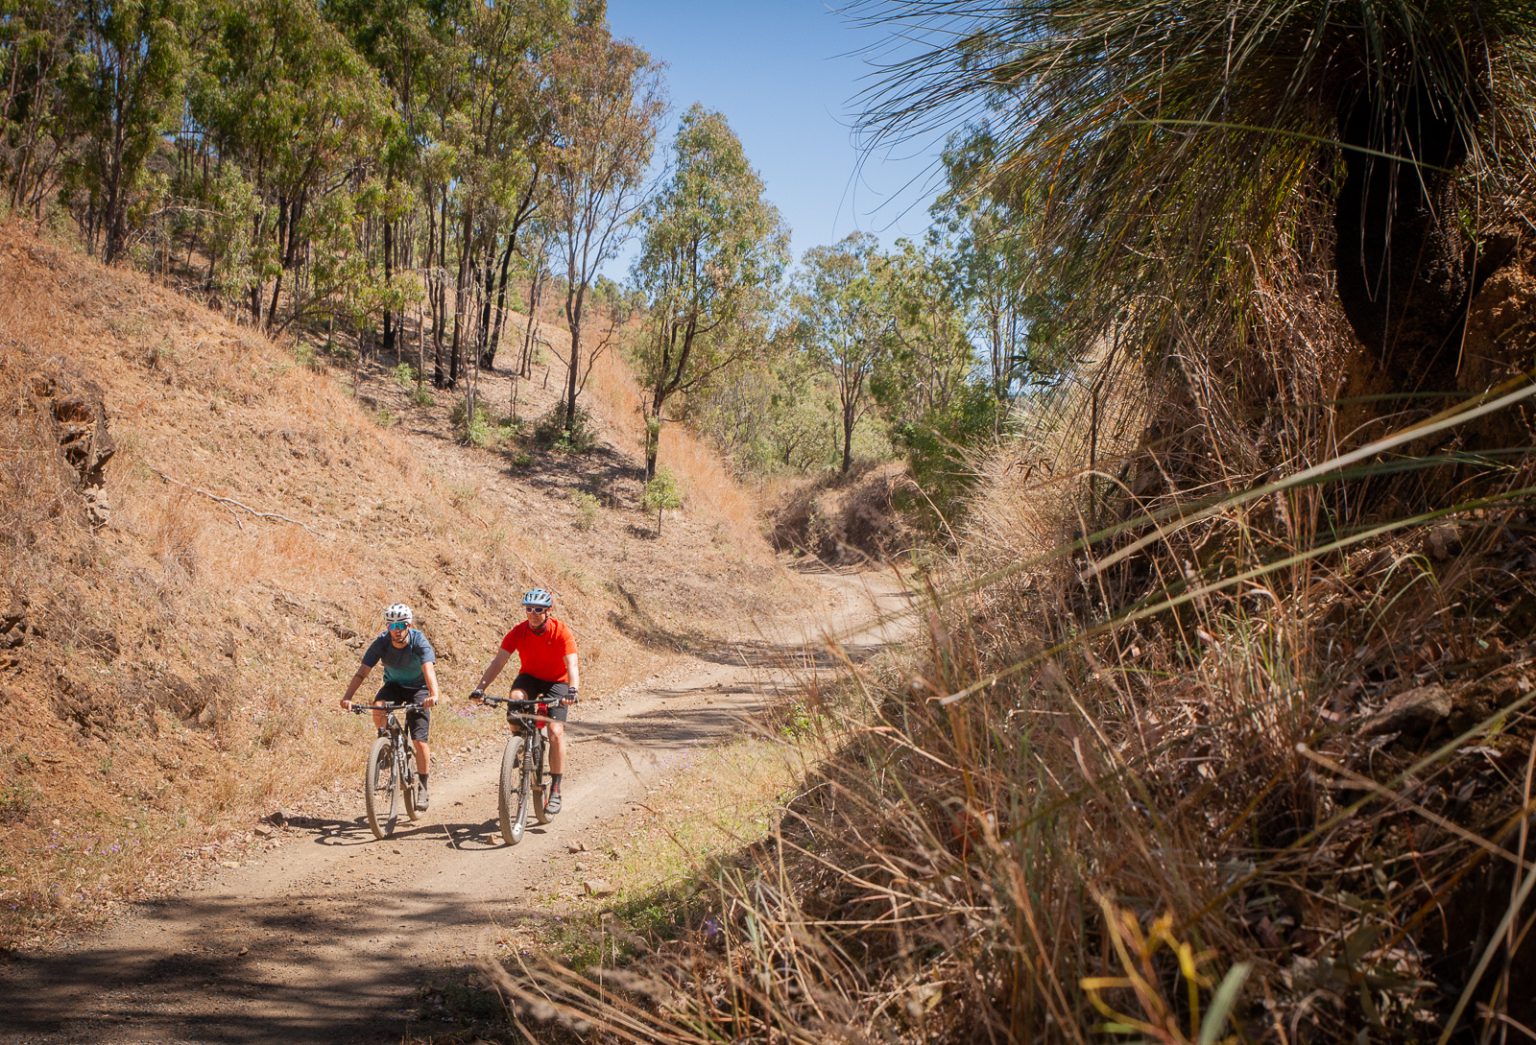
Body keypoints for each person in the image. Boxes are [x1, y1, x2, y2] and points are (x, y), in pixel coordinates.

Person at [469, 587, 579, 814]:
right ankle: (518, 744)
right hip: (530, 677)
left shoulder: (561, 632)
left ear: (548, 611)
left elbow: (572, 664)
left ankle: (555, 789)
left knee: (555, 732)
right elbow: (498, 662)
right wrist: (480, 689)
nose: (533, 613)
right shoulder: (518, 632)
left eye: (538, 609)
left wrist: (572, 690)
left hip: (557, 682)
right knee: (515, 699)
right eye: (529, 609)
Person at [340, 603, 442, 810]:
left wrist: (433, 694)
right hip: (394, 686)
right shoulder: (382, 642)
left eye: (400, 626)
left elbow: (428, 669)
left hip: (419, 688)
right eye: (391, 626)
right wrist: (347, 697)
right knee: (378, 707)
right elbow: (362, 672)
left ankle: (423, 786)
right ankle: (386, 743)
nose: (396, 630)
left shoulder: (419, 641)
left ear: (408, 625)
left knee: (419, 740)